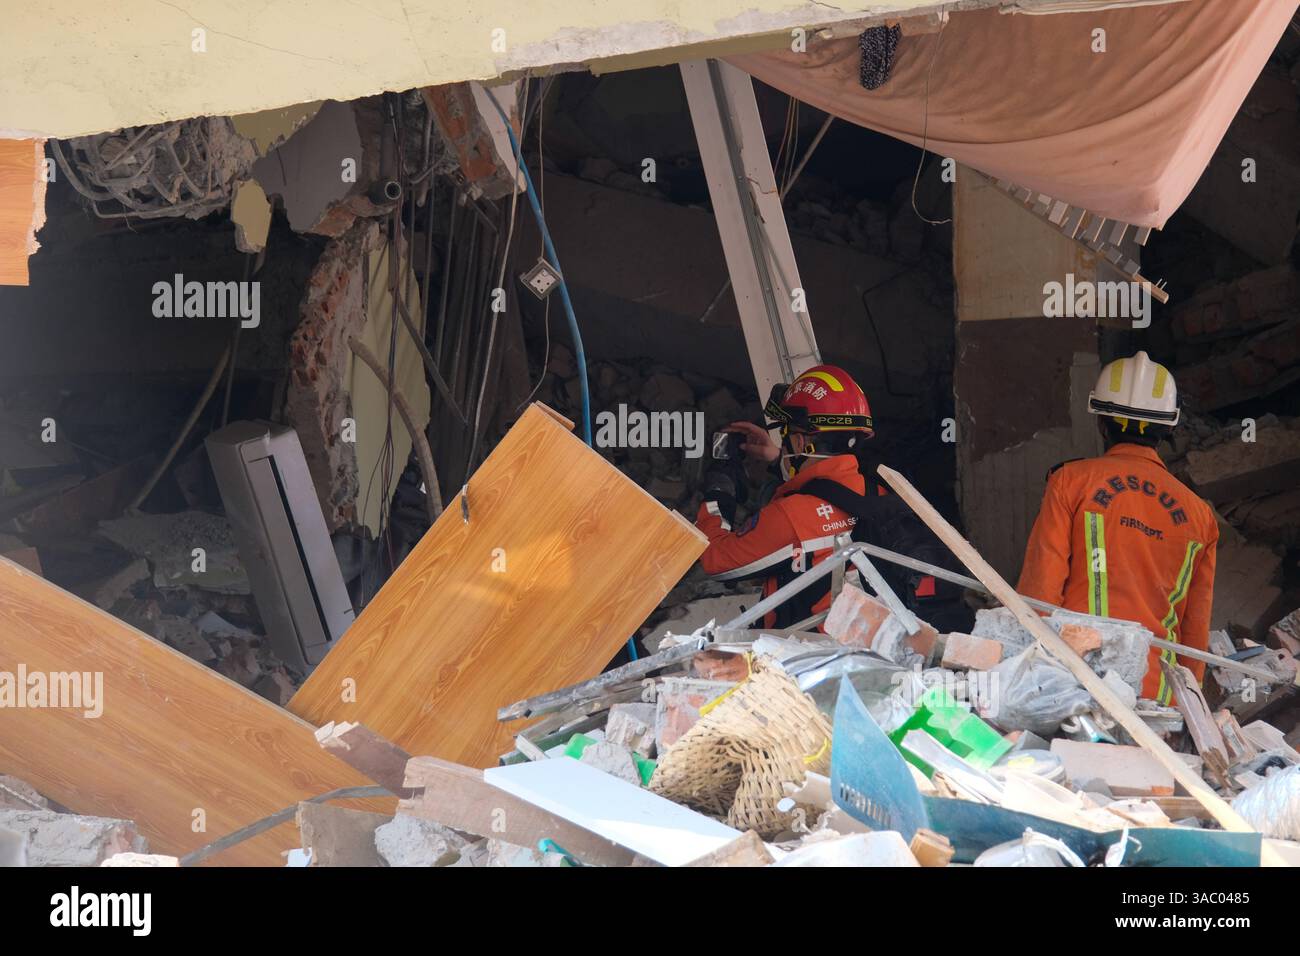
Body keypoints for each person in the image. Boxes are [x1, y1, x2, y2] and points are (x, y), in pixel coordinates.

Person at [1017, 351, 1218, 704]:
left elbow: (1040, 593)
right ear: (1168, 427)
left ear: (1101, 422)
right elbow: (1195, 630)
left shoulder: (1071, 481)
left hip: (1079, 683)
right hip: (1158, 694)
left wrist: (1030, 674)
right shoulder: (1199, 516)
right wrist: (1188, 704)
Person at [695, 364, 956, 630]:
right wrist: (779, 461)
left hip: (808, 659)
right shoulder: (878, 492)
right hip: (875, 648)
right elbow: (828, 492)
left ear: (799, 443)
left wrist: (718, 490)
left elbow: (716, 560)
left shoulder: (791, 515)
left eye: (786, 436)